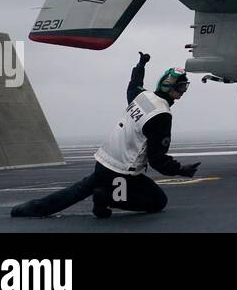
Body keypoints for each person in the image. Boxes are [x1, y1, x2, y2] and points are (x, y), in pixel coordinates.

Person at [11, 52, 201, 219]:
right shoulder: (161, 116)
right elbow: (157, 159)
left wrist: (140, 66)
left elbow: (133, 85)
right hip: (123, 172)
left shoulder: (142, 97)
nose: (183, 92)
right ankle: (107, 197)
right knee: (158, 201)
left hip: (104, 162)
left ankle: (28, 209)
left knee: (77, 191)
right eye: (182, 87)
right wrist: (181, 170)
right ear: (170, 87)